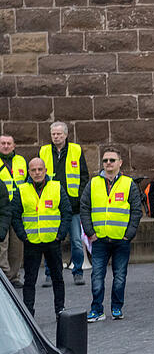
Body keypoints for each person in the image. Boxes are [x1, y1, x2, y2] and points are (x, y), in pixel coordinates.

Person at [80, 148, 143, 322]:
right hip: (99, 239)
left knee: (120, 276)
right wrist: (90, 232)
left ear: (120, 163)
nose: (108, 163)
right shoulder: (93, 183)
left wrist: (128, 234)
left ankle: (117, 307)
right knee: (97, 276)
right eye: (105, 160)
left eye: (112, 160)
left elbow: (136, 211)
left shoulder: (128, 184)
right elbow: (84, 207)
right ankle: (97, 309)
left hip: (121, 239)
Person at [11, 158, 71, 317]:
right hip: (31, 242)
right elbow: (15, 216)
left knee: (58, 278)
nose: (37, 173)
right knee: (30, 280)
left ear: (45, 170)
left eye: (40, 169)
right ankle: (28, 313)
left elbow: (67, 212)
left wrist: (60, 234)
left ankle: (60, 310)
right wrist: (23, 236)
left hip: (52, 241)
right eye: (33, 170)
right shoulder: (21, 189)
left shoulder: (56, 187)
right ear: (29, 172)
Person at [39, 121, 90, 286]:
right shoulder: (44, 151)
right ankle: (50, 274)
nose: (56, 137)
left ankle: (78, 272)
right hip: (51, 204)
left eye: (59, 134)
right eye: (53, 134)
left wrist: (79, 197)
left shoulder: (76, 150)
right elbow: (38, 175)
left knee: (76, 241)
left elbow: (84, 176)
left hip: (73, 205)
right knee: (51, 241)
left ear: (66, 135)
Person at [0, 134, 26, 288]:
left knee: (17, 245)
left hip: (17, 208)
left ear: (14, 146)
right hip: (1, 208)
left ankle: (14, 277)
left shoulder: (21, 161)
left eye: (8, 143)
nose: (6, 146)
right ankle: (3, 277)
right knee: (2, 244)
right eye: (3, 143)